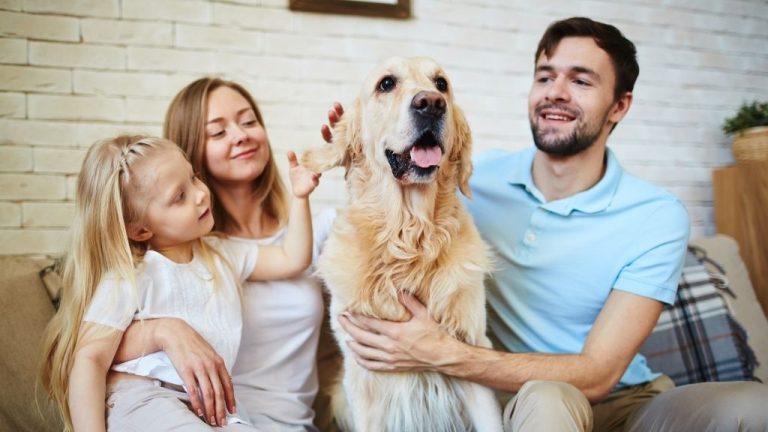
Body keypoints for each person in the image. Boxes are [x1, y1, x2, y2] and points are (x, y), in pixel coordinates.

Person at [331, 17, 768, 431]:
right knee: (548, 399)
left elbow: (599, 374)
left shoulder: (657, 214)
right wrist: (354, 141)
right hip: (531, 403)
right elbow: (381, 201)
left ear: (620, 105)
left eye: (580, 80)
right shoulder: (470, 183)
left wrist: (443, 353)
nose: (555, 92)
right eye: (545, 76)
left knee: (754, 406)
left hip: (631, 402)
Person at [40, 135, 320, 431]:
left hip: (207, 408)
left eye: (194, 177)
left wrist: (300, 197)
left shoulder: (221, 255)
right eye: (179, 196)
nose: (200, 194)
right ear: (140, 229)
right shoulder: (133, 276)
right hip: (143, 399)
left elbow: (292, 258)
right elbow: (89, 357)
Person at [113, 78, 337, 431]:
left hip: (293, 424)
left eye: (249, 122)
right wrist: (163, 331)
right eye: (218, 133)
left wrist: (356, 148)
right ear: (189, 154)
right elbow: (92, 346)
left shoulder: (312, 231)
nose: (241, 135)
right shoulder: (178, 254)